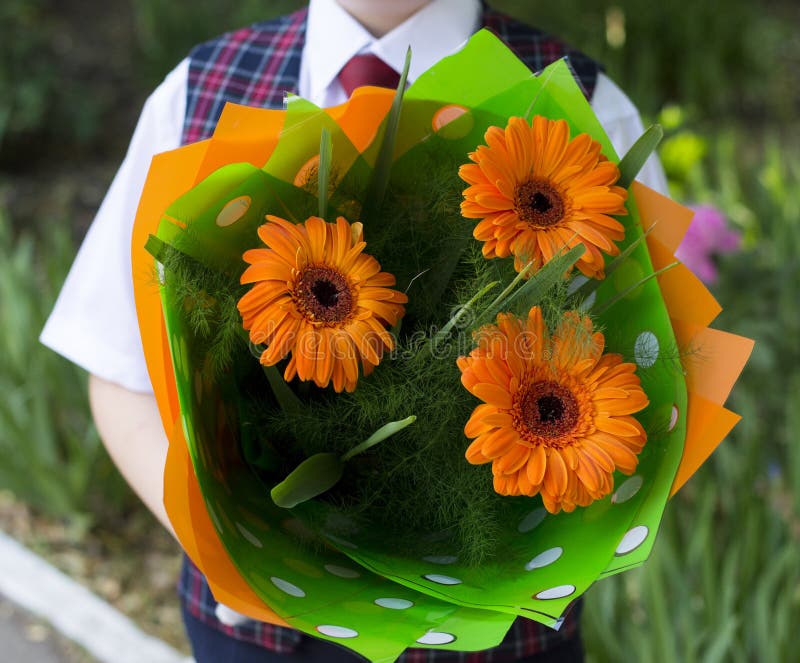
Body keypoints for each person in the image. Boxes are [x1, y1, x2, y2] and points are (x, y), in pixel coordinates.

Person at [41, 1, 667, 661]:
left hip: (499, 640)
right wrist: (227, 541)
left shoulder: (590, 109)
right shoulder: (198, 93)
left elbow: (645, 393)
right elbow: (120, 369)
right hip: (260, 639)